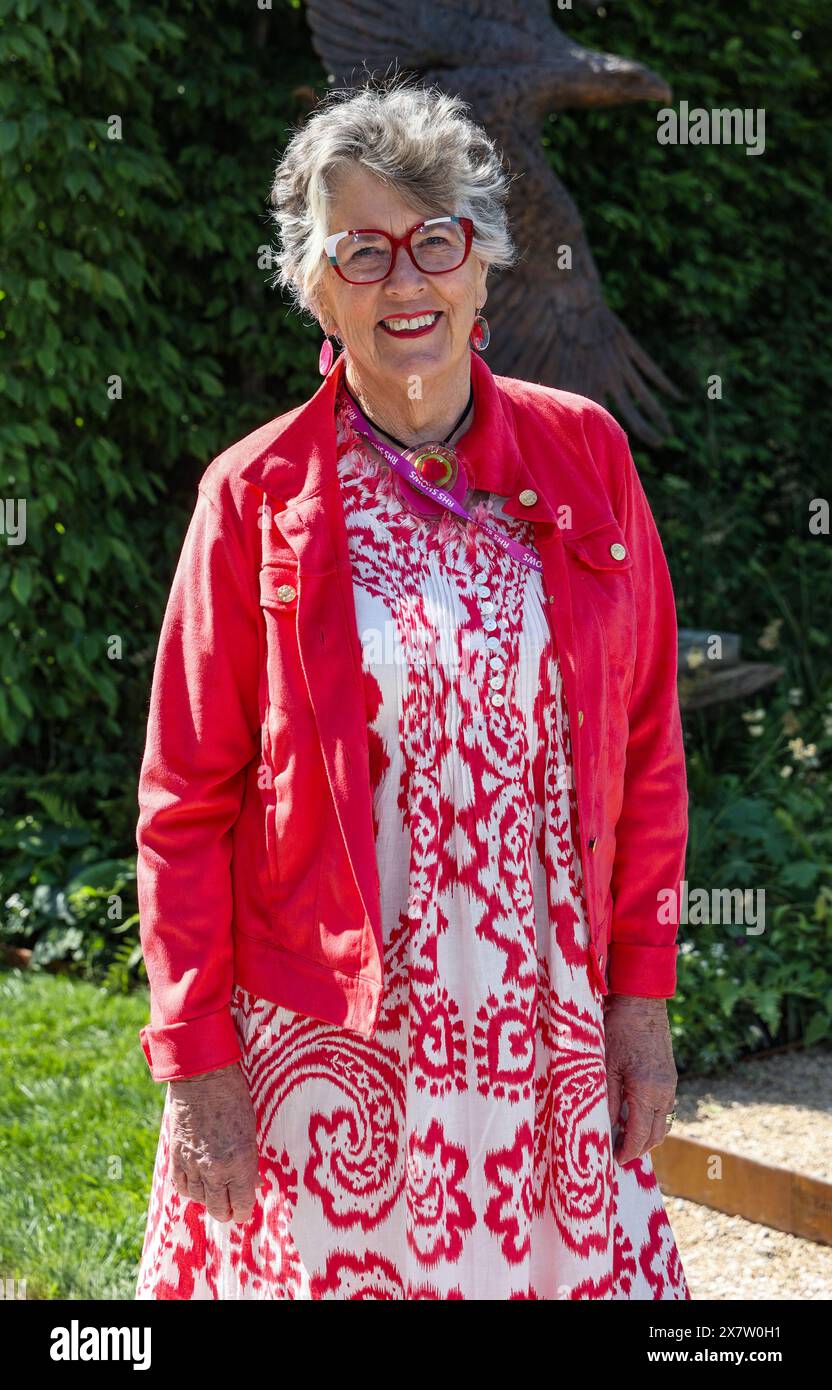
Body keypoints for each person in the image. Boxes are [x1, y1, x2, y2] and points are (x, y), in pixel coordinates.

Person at [134, 75, 690, 1300]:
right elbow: (182, 806)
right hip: (323, 1054)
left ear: (483, 267)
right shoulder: (254, 494)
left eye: (435, 241)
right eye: (363, 250)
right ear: (314, 285)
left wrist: (638, 999)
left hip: (542, 1042)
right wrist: (196, 1065)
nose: (406, 281)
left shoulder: (584, 455)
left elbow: (647, 744)